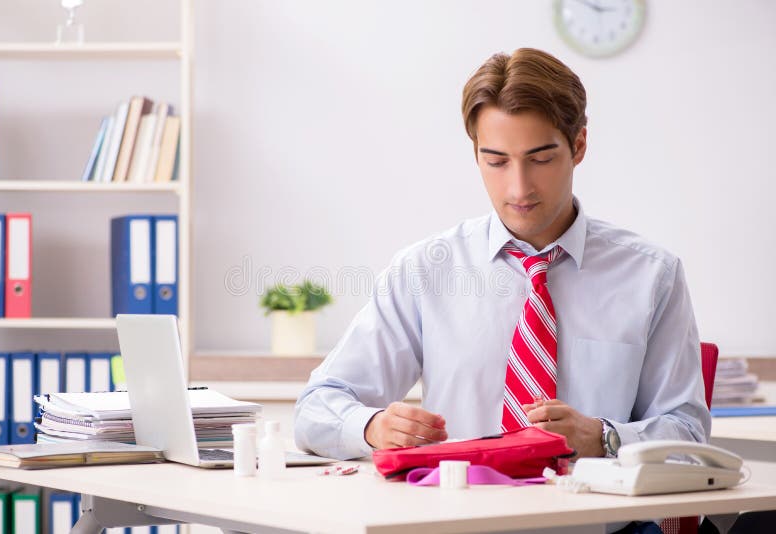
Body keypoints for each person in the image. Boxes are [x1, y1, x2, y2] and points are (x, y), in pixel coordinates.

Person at [294, 48, 710, 463]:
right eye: (496, 161)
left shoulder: (652, 276)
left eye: (541, 159)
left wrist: (604, 437)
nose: (518, 188)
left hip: (597, 523)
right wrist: (372, 428)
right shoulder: (424, 272)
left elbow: (688, 433)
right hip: (458, 517)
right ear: (476, 154)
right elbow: (315, 408)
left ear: (578, 145)